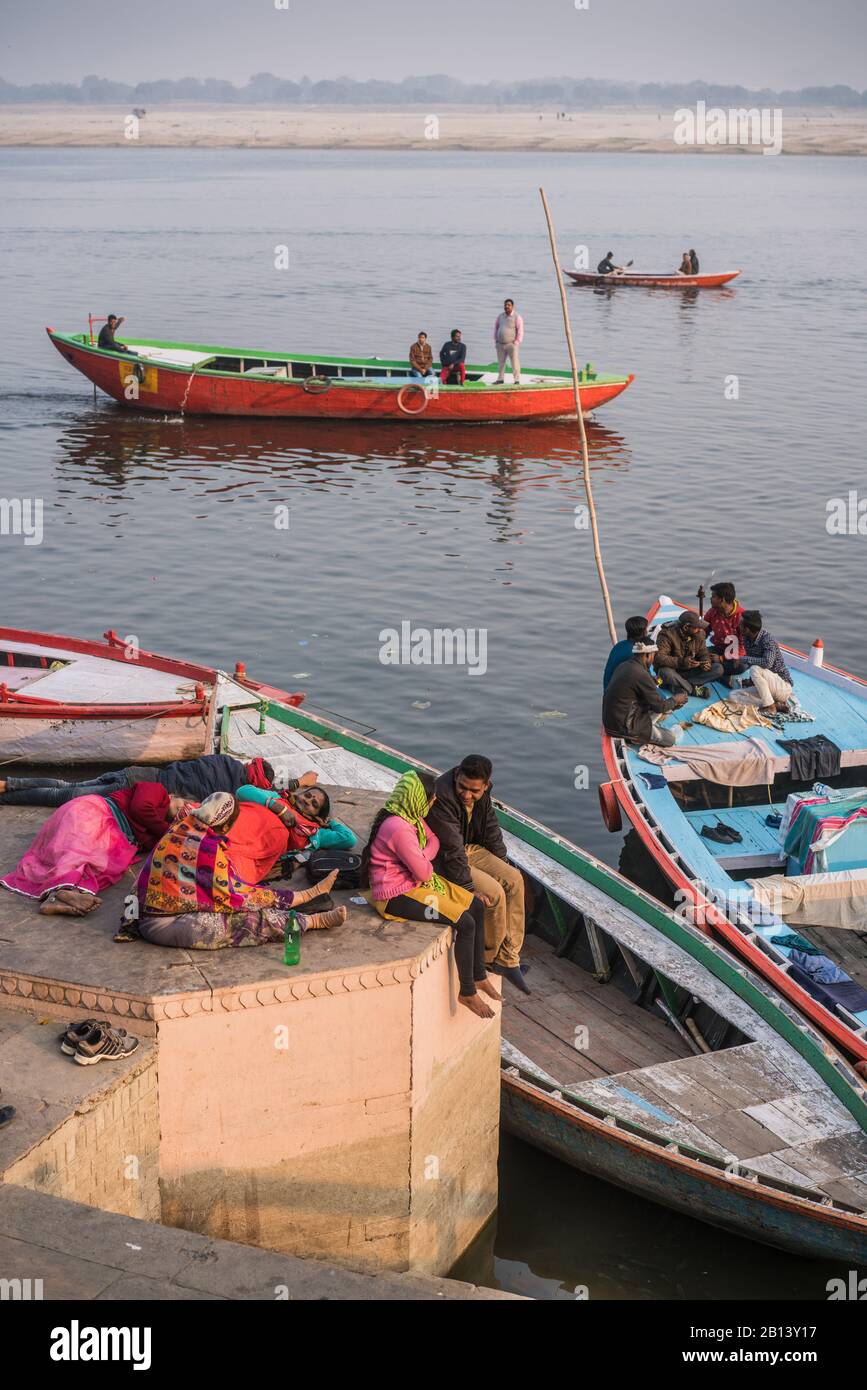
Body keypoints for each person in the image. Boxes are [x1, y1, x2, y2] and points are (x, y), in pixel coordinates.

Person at [361, 769, 497, 1020]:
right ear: (420, 799)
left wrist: (423, 852)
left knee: (476, 907)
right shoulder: (399, 828)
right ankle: (467, 991)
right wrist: (424, 854)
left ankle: (479, 976)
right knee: (465, 923)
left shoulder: (411, 816)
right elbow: (424, 872)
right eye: (431, 798)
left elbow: (432, 841)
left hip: (413, 885)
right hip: (395, 896)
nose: (433, 802)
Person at [132, 792, 345, 949]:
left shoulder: (183, 829)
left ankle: (305, 906)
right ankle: (314, 921)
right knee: (249, 919)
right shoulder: (207, 851)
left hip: (153, 908)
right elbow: (238, 897)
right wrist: (298, 896)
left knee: (243, 902)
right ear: (225, 827)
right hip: (164, 923)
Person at [0, 782, 190, 917]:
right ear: (172, 796)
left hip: (109, 831)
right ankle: (61, 892)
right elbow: (140, 807)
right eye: (180, 804)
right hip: (96, 812)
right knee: (76, 851)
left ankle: (58, 898)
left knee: (94, 864)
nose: (178, 811)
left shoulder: (159, 826)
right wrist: (171, 832)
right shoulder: (158, 791)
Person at [426, 755, 529, 995]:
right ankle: (487, 961)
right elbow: (451, 849)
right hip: (445, 858)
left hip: (472, 849)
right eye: (463, 787)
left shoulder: (484, 793)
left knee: (514, 880)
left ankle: (509, 958)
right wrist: (469, 889)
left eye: (474, 791)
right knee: (493, 894)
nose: (467, 795)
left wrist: (501, 861)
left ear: (485, 785)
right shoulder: (442, 794)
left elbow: (491, 826)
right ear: (457, 775)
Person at [0, 754, 318, 809]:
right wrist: (299, 785)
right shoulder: (229, 793)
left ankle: (10, 782)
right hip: (140, 789)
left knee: (68, 785)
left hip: (140, 772)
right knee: (70, 798)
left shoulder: (223, 762)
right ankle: (6, 796)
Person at [230, 783, 355, 883]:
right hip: (237, 827)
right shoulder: (278, 798)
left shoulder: (314, 832)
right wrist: (278, 808)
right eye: (307, 795)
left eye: (314, 804)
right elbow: (243, 791)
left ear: (317, 815)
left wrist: (328, 821)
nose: (308, 801)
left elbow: (349, 839)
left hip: (256, 849)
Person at [602, 641, 688, 748]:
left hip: (610, 722)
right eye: (653, 655)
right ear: (647, 655)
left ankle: (644, 729)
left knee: (664, 705)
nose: (653, 659)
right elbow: (660, 707)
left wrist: (673, 705)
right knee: (670, 739)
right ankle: (634, 737)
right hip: (623, 728)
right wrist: (676, 699)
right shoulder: (641, 674)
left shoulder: (624, 666)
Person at [654, 612, 724, 695]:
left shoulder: (700, 634)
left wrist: (706, 662)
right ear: (686, 627)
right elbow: (659, 658)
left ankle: (678, 686)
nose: (700, 630)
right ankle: (692, 690)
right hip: (673, 671)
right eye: (697, 628)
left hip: (688, 671)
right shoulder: (666, 635)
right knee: (664, 672)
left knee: (718, 669)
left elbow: (703, 653)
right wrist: (681, 662)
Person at [738, 611, 793, 715]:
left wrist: (743, 659)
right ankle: (776, 705)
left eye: (741, 625)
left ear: (747, 629)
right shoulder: (746, 638)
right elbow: (753, 659)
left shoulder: (767, 639)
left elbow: (767, 663)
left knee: (754, 668)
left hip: (782, 686)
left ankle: (770, 707)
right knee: (734, 695)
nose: (738, 626)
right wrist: (751, 681)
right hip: (768, 687)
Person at [704, 581, 746, 686]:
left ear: (721, 600)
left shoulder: (741, 617)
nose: (710, 599)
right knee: (700, 656)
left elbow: (743, 646)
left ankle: (717, 672)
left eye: (713, 597)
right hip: (718, 649)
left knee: (741, 666)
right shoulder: (712, 612)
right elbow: (704, 630)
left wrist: (722, 658)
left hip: (735, 654)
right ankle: (720, 673)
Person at [603, 616, 649, 690]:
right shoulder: (636, 651)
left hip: (608, 691)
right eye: (646, 630)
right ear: (643, 632)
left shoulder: (619, 645)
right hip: (618, 695)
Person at [492, 299, 523, 385]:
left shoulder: (517, 317)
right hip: (500, 344)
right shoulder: (500, 316)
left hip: (511, 344)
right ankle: (500, 379)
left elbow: (520, 331)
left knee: (514, 362)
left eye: (509, 305)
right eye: (505, 305)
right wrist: (495, 340)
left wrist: (517, 342)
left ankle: (516, 380)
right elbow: (496, 327)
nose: (506, 306)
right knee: (501, 363)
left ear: (512, 306)